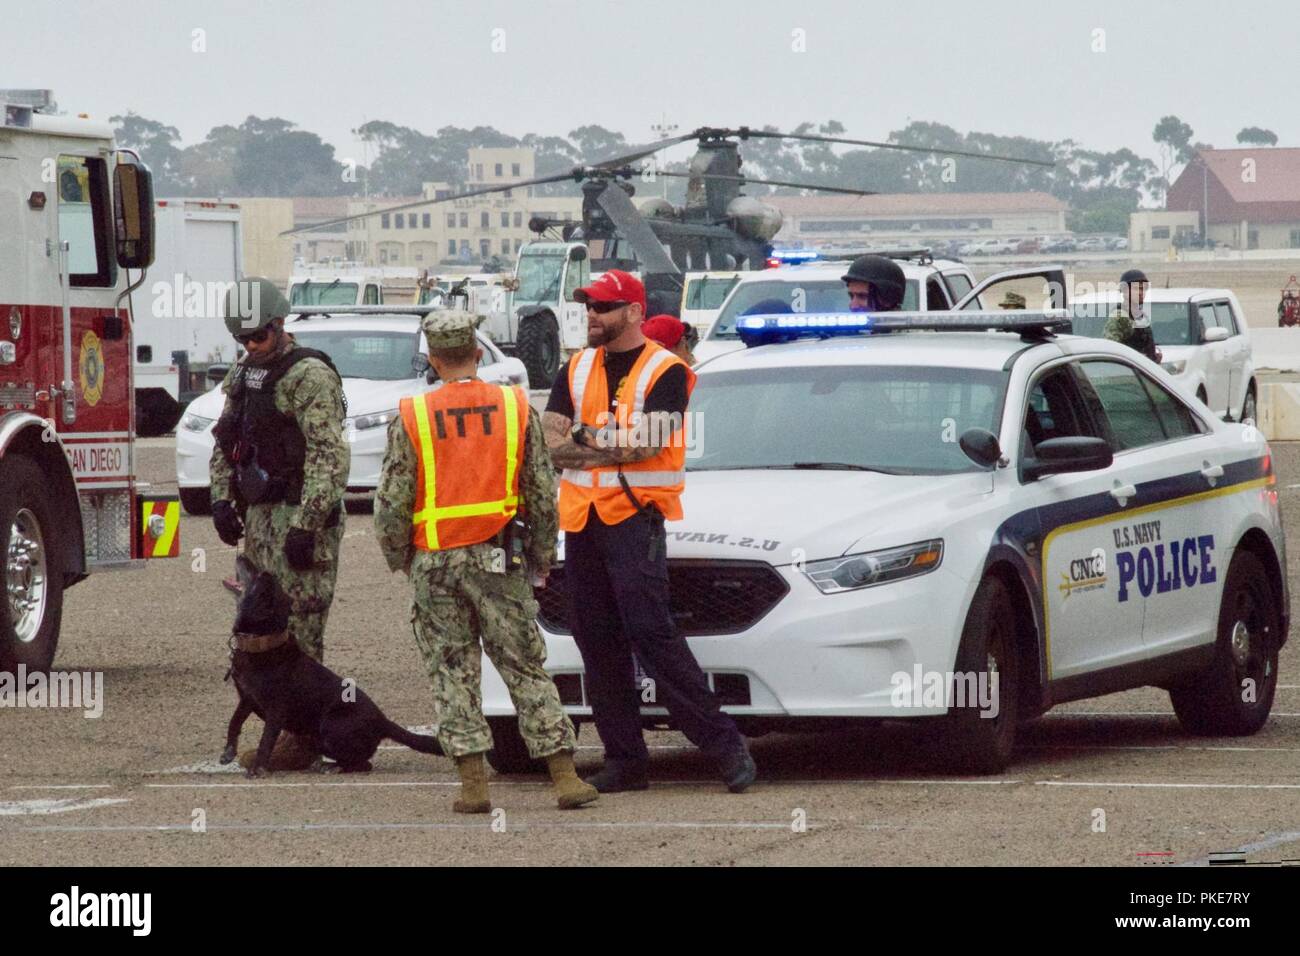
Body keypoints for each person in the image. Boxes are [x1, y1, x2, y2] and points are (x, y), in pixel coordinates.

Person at [374, 311, 598, 813]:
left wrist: (399, 557)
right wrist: (542, 553)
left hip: (435, 561)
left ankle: (474, 786)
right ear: (478, 353)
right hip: (499, 558)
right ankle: (564, 777)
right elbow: (541, 490)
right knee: (524, 666)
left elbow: (391, 501)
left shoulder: (412, 414)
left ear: (431, 359)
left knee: (452, 671)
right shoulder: (515, 407)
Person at [543, 269, 757, 794]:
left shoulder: (667, 370)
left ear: (634, 312)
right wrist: (601, 441)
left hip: (635, 517)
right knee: (596, 640)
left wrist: (584, 434)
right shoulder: (574, 367)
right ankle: (625, 760)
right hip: (582, 518)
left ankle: (725, 745)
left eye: (604, 307)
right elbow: (548, 444)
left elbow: (647, 446)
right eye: (589, 306)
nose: (592, 315)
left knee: (651, 633)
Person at [211, 277, 349, 770]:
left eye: (259, 337)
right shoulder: (246, 374)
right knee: (262, 626)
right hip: (262, 518)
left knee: (302, 629)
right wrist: (222, 500)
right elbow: (226, 437)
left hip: (298, 516)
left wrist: (307, 525)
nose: (251, 347)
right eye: (243, 340)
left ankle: (301, 737)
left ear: (280, 325)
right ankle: (278, 719)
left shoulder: (309, 376)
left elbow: (329, 457)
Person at [1103, 268, 1159, 362]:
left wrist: (1153, 358)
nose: (1141, 293)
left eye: (1143, 289)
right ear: (1124, 291)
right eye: (1136, 288)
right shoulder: (1120, 316)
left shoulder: (1141, 316)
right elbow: (1111, 349)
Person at [842, 254, 907, 313]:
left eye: (862, 296)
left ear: (888, 300)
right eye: (851, 296)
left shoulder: (911, 325)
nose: (853, 306)